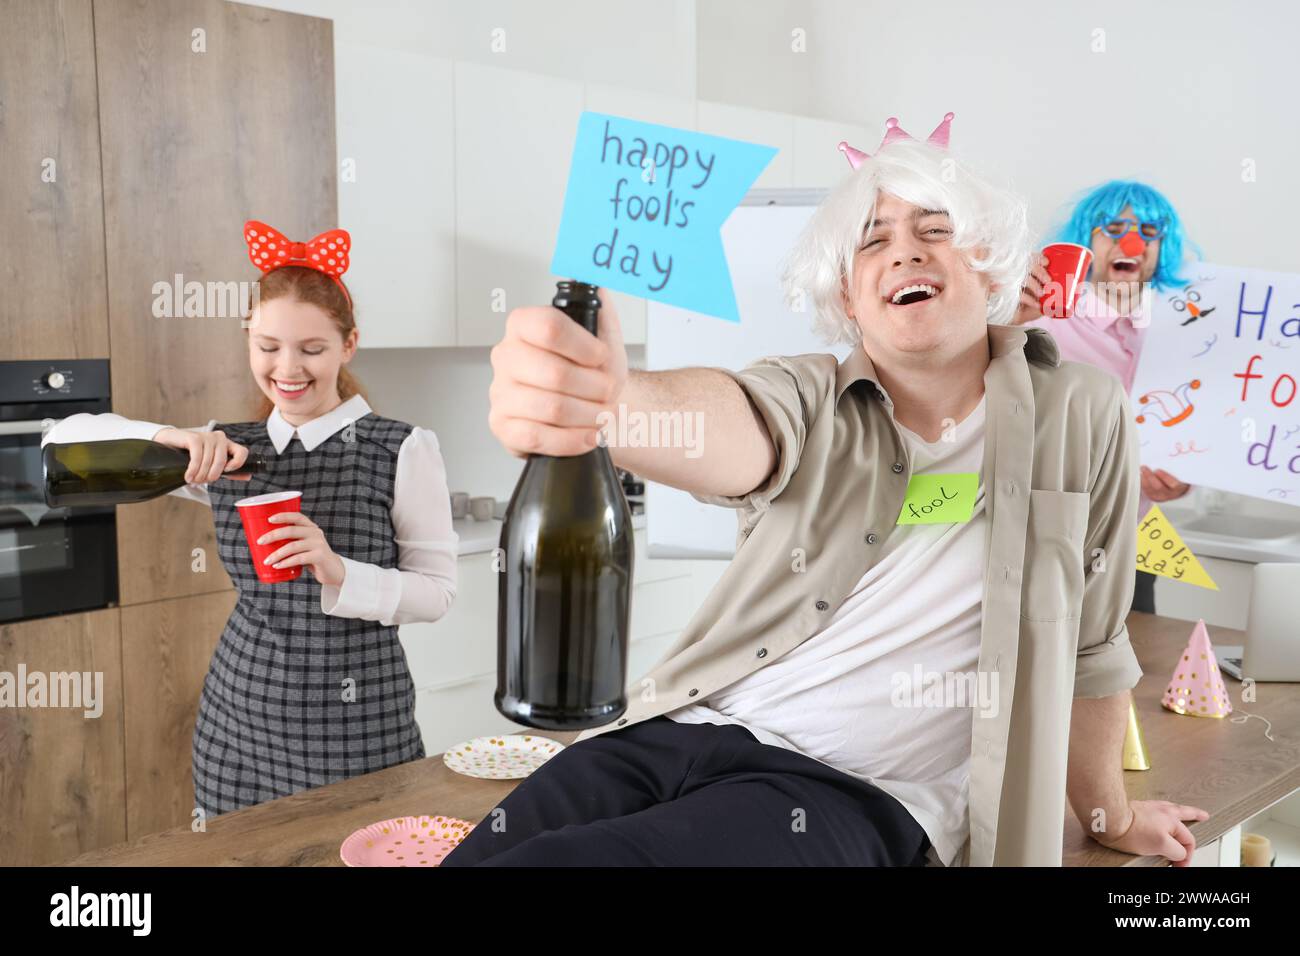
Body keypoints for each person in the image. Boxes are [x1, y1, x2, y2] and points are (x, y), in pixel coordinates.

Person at [444, 115, 1208, 867]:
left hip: (847, 791)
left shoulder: (1080, 411)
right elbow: (737, 426)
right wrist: (615, 405)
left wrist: (1110, 813)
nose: (903, 249)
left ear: (992, 268)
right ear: (848, 296)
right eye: (871, 240)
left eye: (934, 229)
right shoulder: (809, 395)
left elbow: (1093, 651)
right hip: (675, 727)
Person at [42, 222, 458, 817]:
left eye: (311, 349)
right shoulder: (223, 452)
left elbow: (437, 594)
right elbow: (60, 440)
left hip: (357, 724)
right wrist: (167, 438)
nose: (287, 368)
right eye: (267, 346)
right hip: (237, 725)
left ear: (348, 344)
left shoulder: (401, 449)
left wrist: (339, 570)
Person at [1012, 181, 1200, 613]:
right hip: (1042, 543)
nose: (1131, 241)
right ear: (1087, 240)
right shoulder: (1039, 317)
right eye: (1113, 228)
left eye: (1149, 231)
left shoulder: (1182, 336)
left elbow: (1197, 429)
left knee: (1137, 665)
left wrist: (1181, 479)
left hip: (1133, 544)